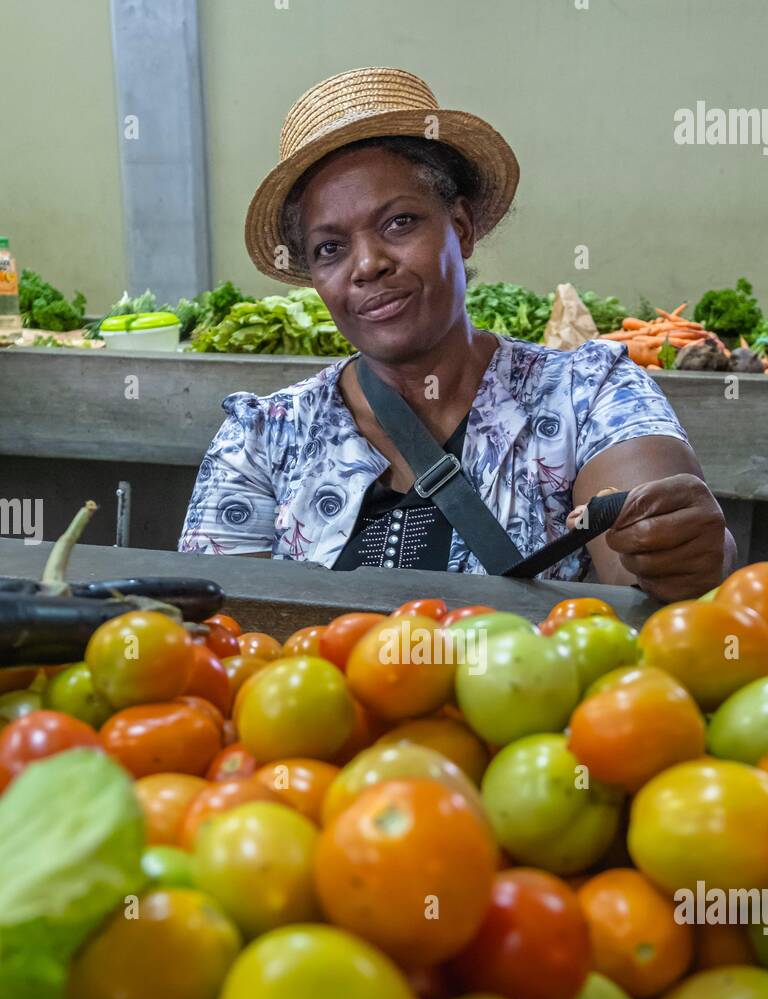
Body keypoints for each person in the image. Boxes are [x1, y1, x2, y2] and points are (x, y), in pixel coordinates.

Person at [180, 67, 735, 602]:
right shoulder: (261, 439)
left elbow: (647, 553)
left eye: (399, 222)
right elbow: (223, 634)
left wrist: (675, 551)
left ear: (462, 228)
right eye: (330, 248)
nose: (367, 264)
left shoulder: (590, 395)